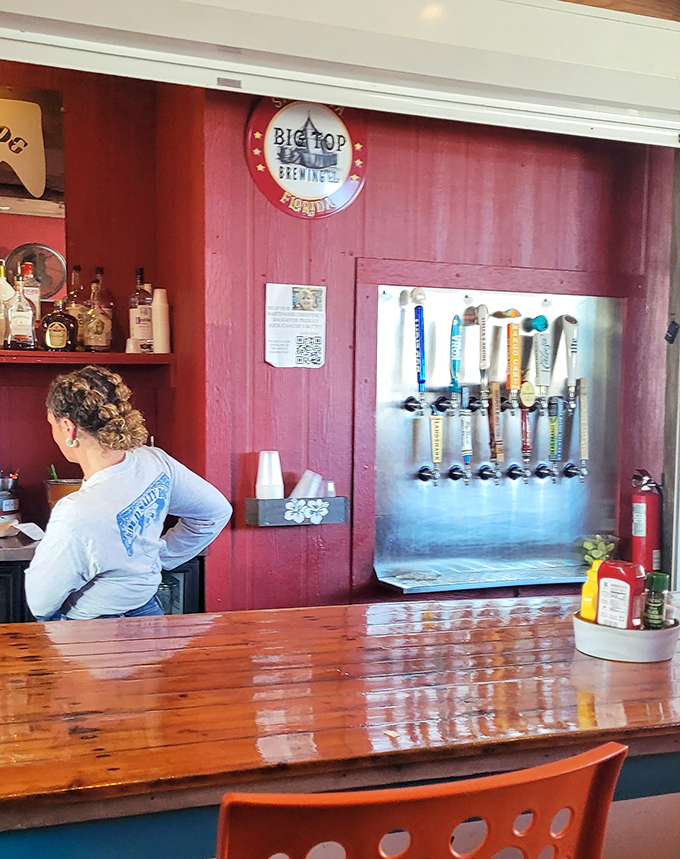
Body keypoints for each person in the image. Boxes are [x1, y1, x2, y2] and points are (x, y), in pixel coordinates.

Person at [24, 366, 232, 620]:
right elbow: (215, 512)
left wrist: (158, 557)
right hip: (149, 614)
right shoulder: (154, 462)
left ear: (68, 428)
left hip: (93, 631)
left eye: (52, 424)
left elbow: (40, 603)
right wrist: (156, 557)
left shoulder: (74, 510)